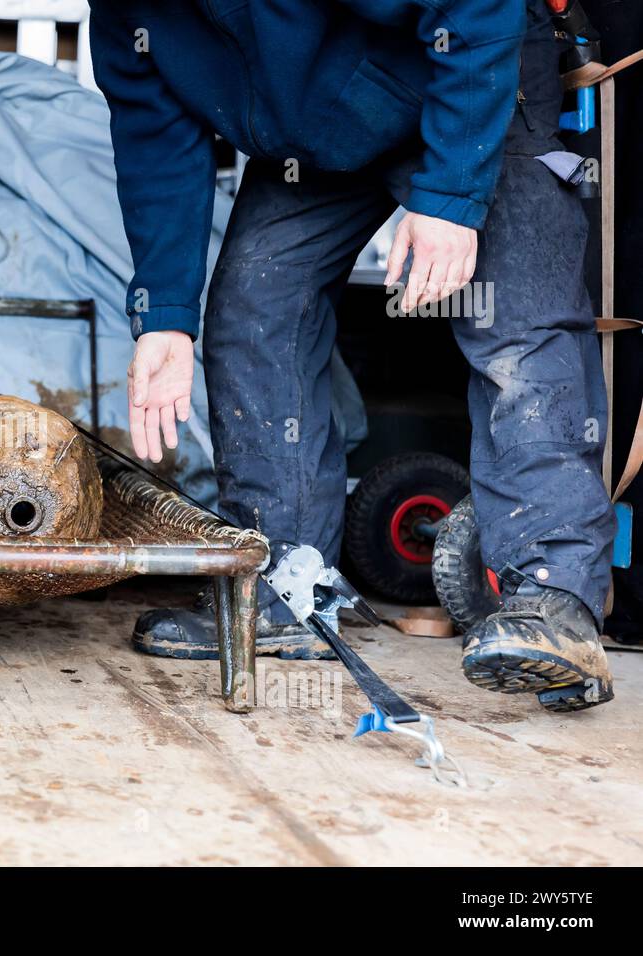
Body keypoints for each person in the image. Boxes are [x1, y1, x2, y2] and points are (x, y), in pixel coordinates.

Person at [92, 0, 616, 710]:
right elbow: (157, 135)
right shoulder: (127, 13)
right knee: (255, 309)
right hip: (324, 135)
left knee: (513, 326)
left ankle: (555, 604)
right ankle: (287, 590)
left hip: (463, 82)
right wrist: (166, 315)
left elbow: (476, 6)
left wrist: (452, 196)